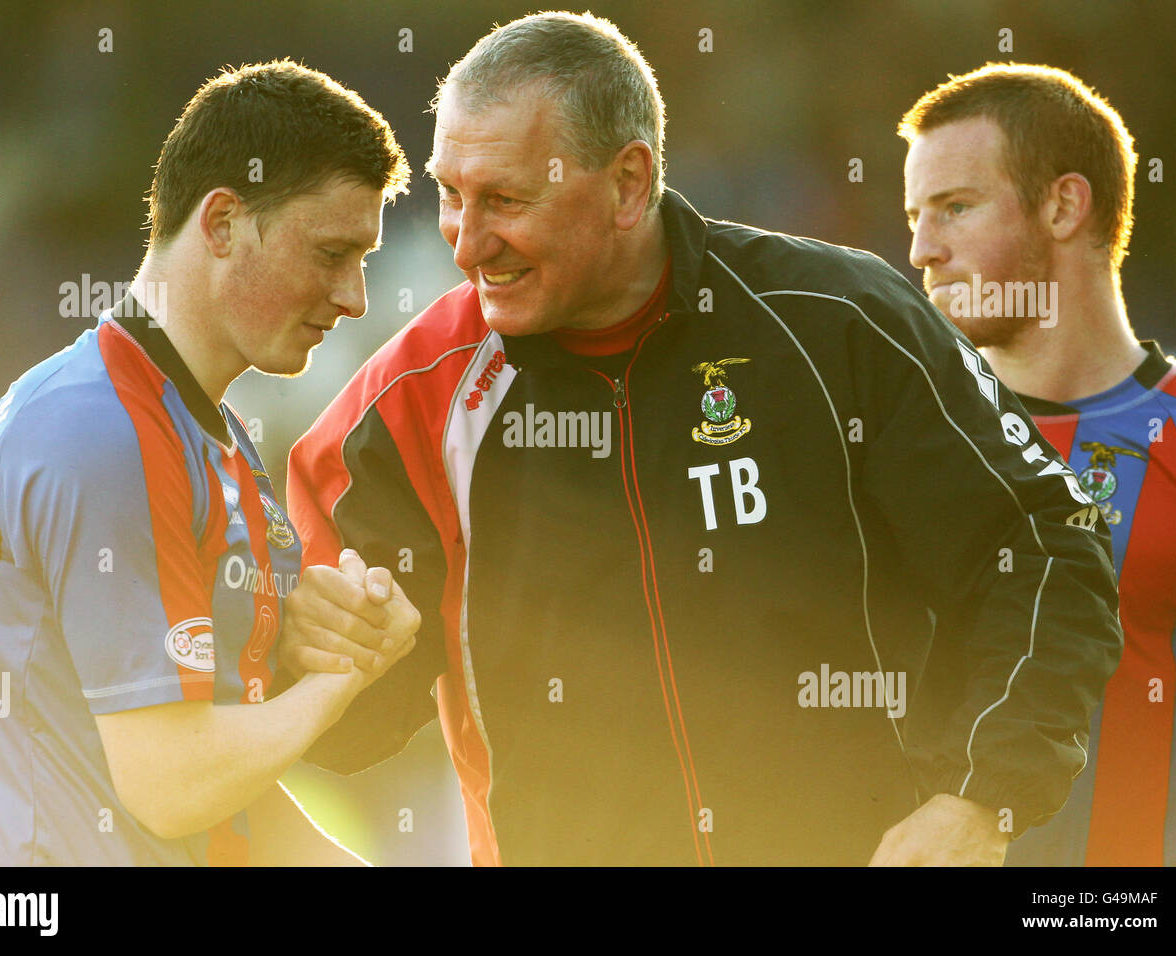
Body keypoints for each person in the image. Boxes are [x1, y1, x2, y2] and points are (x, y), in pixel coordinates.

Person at [286, 13, 1122, 866]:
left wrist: (983, 795)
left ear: (627, 183)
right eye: (451, 194)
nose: (465, 243)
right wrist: (309, 648)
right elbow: (343, 724)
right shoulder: (407, 401)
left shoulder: (840, 321)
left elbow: (1051, 543)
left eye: (506, 200)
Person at [0, 59, 420, 866]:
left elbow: (228, 799)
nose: (356, 296)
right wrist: (343, 677)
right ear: (220, 222)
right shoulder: (100, 429)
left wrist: (298, 643)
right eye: (331, 252)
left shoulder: (199, 433)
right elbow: (173, 784)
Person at [901, 62, 1176, 866]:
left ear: (1064, 205)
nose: (922, 250)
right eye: (914, 217)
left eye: (955, 208)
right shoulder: (897, 443)